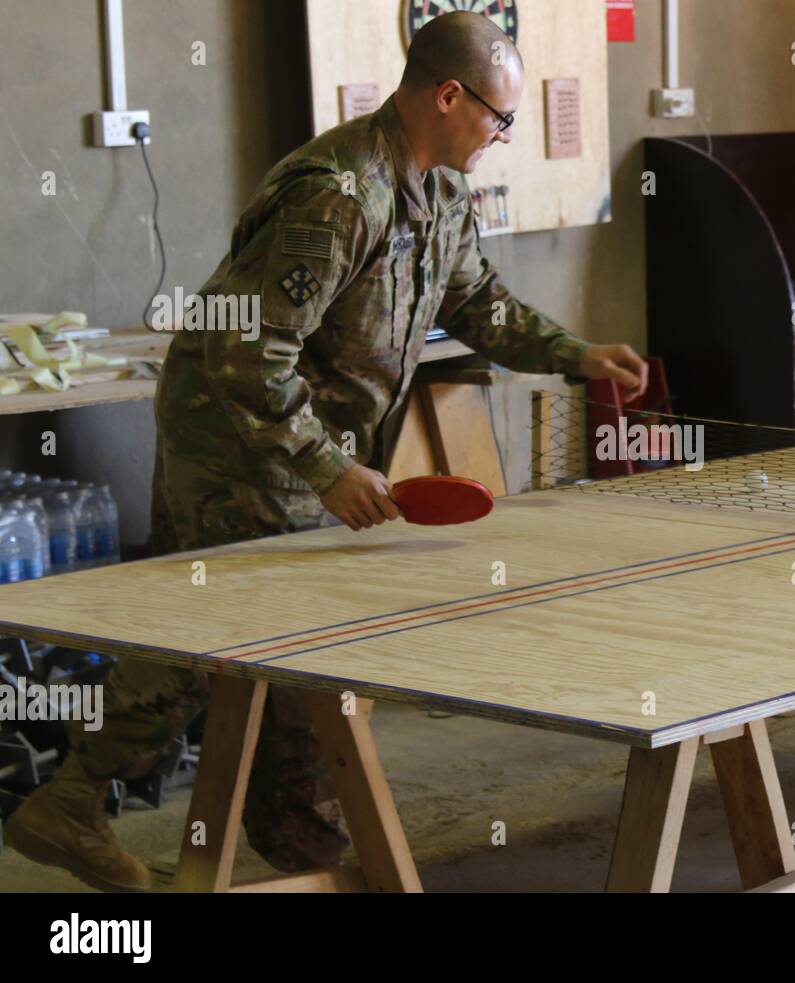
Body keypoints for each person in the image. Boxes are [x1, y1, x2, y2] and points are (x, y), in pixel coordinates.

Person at [5, 11, 647, 891]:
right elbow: (245, 354)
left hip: (305, 435)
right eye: (498, 118)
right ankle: (72, 805)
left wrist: (578, 356)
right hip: (234, 433)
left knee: (301, 633)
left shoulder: (444, 196)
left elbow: (481, 307)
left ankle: (293, 832)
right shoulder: (340, 193)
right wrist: (328, 468)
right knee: (220, 631)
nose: (503, 136)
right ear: (449, 95)